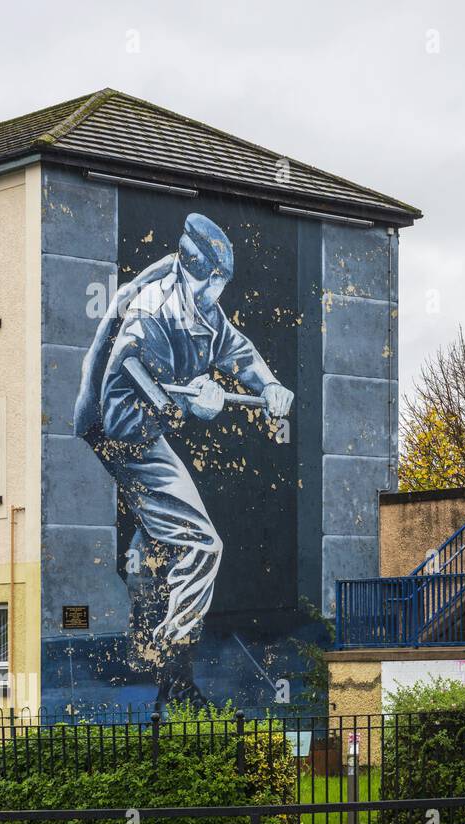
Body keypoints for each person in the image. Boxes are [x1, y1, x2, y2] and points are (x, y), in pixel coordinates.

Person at [73, 213, 295, 704]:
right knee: (201, 544)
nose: (219, 294)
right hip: (121, 433)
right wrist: (184, 404)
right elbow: (124, 388)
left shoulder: (200, 308)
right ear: (210, 277)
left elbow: (239, 352)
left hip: (141, 428)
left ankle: (156, 642)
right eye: (216, 283)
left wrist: (271, 385)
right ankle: (175, 678)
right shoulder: (152, 312)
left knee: (159, 547)